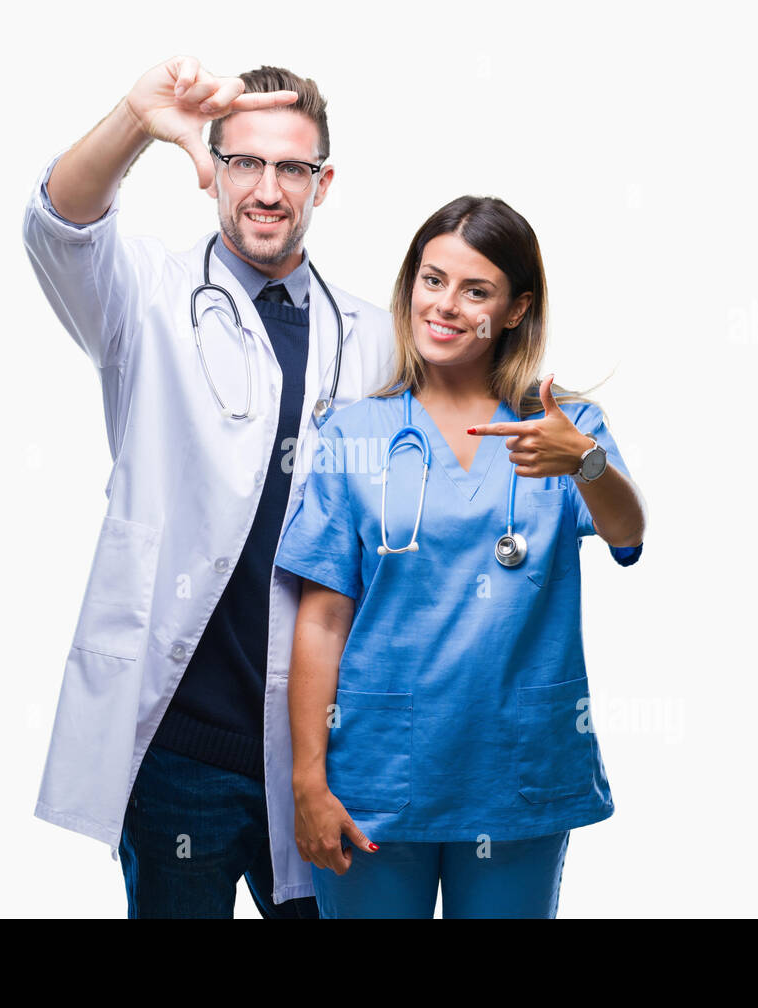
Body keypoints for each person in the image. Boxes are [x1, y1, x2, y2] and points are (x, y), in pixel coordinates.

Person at [22, 55, 395, 918]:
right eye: (245, 163)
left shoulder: (372, 339)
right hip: (182, 754)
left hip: (319, 756)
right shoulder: (145, 297)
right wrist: (134, 117)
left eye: (291, 168)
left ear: (323, 183)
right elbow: (59, 227)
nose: (267, 189)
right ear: (213, 172)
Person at [273, 195, 647, 918]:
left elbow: (628, 533)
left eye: (476, 290)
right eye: (432, 279)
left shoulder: (565, 429)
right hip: (375, 775)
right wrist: (308, 782)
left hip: (514, 769)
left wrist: (587, 463)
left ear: (515, 309)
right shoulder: (355, 432)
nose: (445, 305)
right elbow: (321, 620)